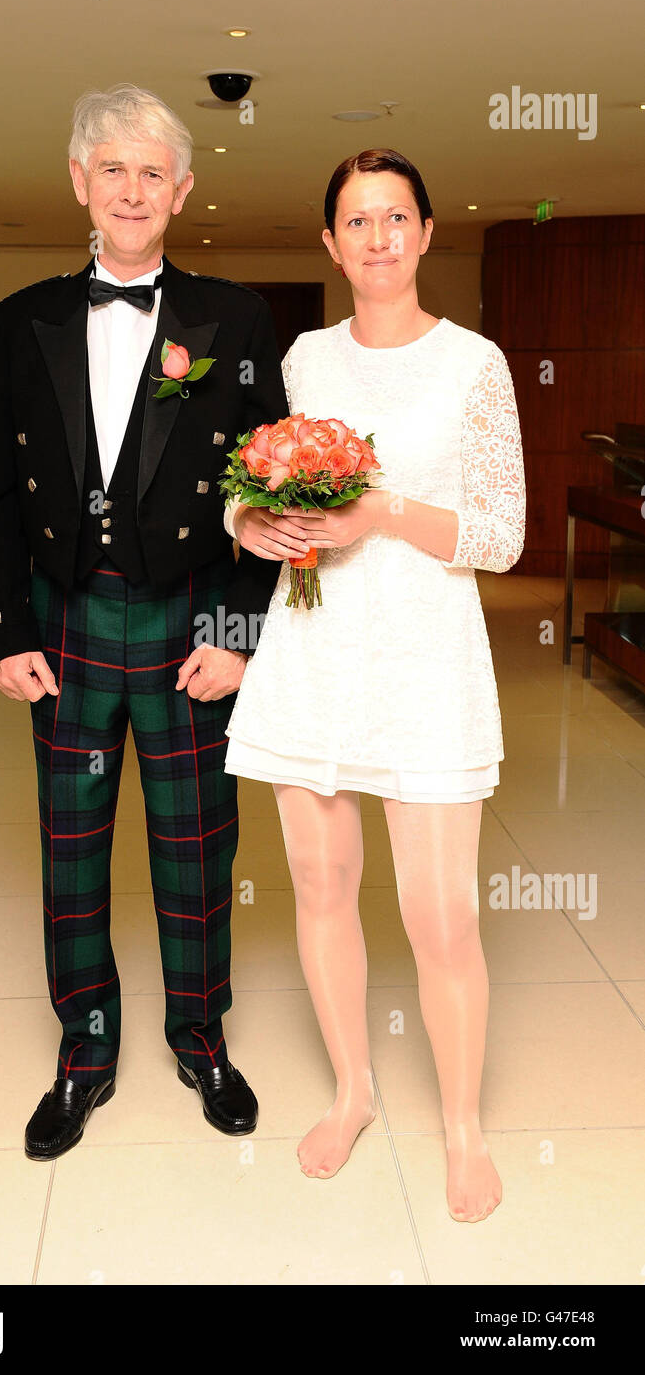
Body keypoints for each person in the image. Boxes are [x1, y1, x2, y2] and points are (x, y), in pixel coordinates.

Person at [0, 84, 288, 1160]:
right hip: (63, 627)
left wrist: (238, 636)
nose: (133, 189)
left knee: (198, 843)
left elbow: (271, 493)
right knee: (71, 847)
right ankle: (84, 1050)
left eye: (154, 171)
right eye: (113, 168)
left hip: (193, 621)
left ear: (184, 190)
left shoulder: (235, 321)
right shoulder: (21, 323)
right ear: (79, 182)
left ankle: (199, 1034)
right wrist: (6, 632)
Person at [222, 149, 526, 1223]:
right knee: (318, 887)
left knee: (440, 917)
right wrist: (252, 522)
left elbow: (498, 534)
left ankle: (460, 1129)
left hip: (428, 661)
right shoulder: (301, 358)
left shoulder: (475, 364)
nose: (379, 237)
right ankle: (352, 1090)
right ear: (330, 242)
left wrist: (379, 512)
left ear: (427, 233)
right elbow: (245, 491)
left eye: (397, 216)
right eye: (358, 220)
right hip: (316, 653)